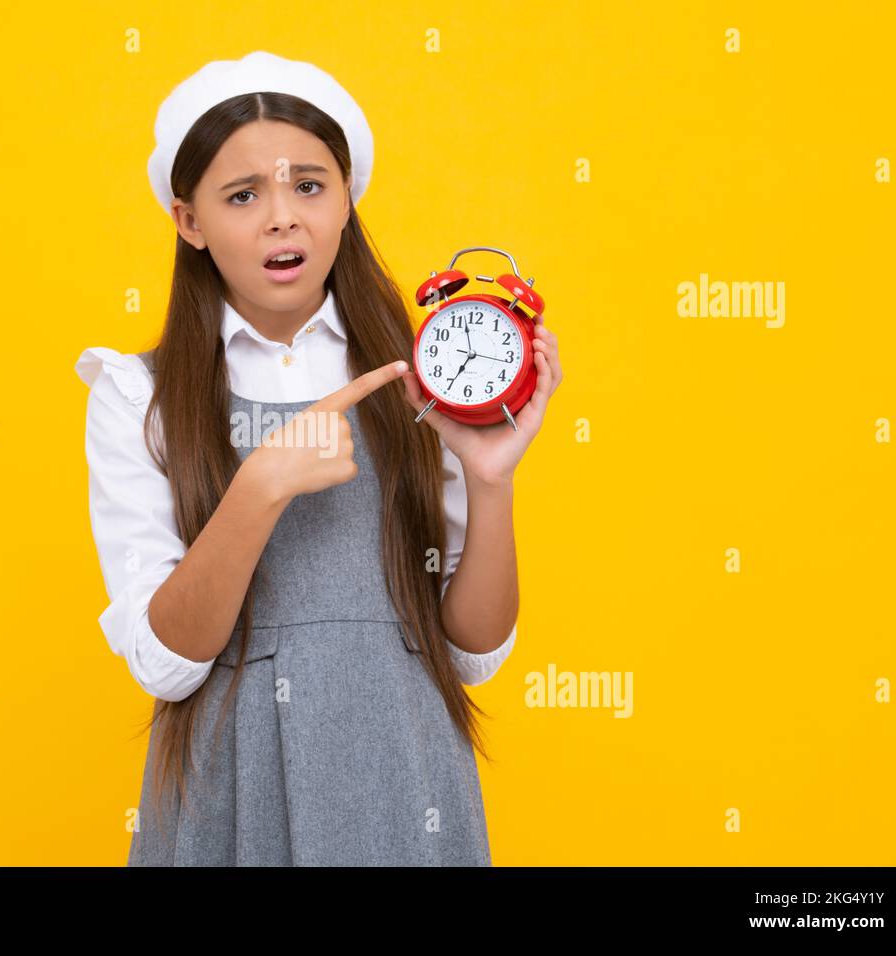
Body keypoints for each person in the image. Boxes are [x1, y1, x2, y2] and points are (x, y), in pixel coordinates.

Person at [74, 50, 563, 865]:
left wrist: (490, 480)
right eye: (242, 195)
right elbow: (164, 664)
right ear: (188, 220)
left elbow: (474, 651)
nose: (282, 217)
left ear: (346, 201)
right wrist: (258, 487)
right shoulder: (137, 396)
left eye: (309, 185)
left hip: (404, 783)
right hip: (231, 788)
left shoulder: (424, 377)